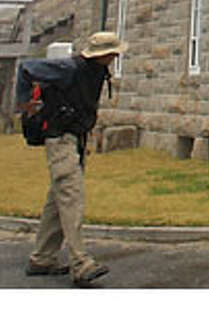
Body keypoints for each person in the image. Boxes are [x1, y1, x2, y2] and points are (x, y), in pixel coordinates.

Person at [16, 31, 127, 287]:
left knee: (58, 199)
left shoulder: (95, 71)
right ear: (101, 54)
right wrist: (26, 106)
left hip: (76, 139)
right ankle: (81, 263)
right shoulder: (67, 68)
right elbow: (26, 68)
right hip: (61, 139)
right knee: (71, 198)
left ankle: (42, 258)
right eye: (112, 52)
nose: (115, 56)